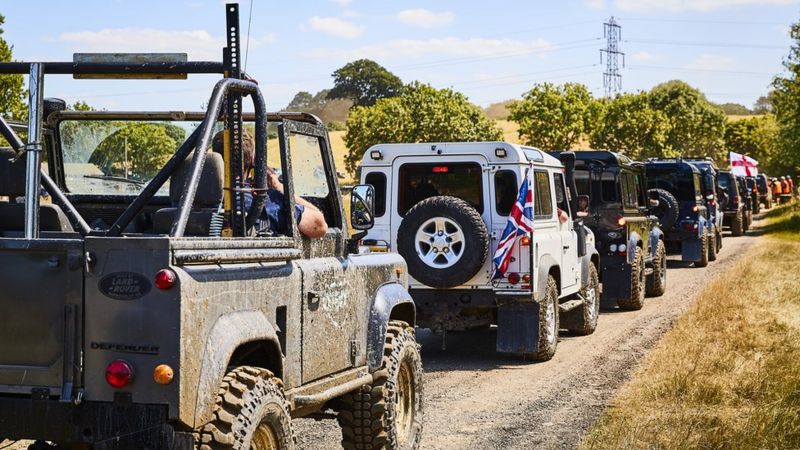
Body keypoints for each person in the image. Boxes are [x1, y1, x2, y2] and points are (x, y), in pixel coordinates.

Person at [211, 130, 328, 238]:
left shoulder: (197, 196)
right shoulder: (262, 199)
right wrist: (280, 188)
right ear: (253, 161)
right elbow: (319, 226)